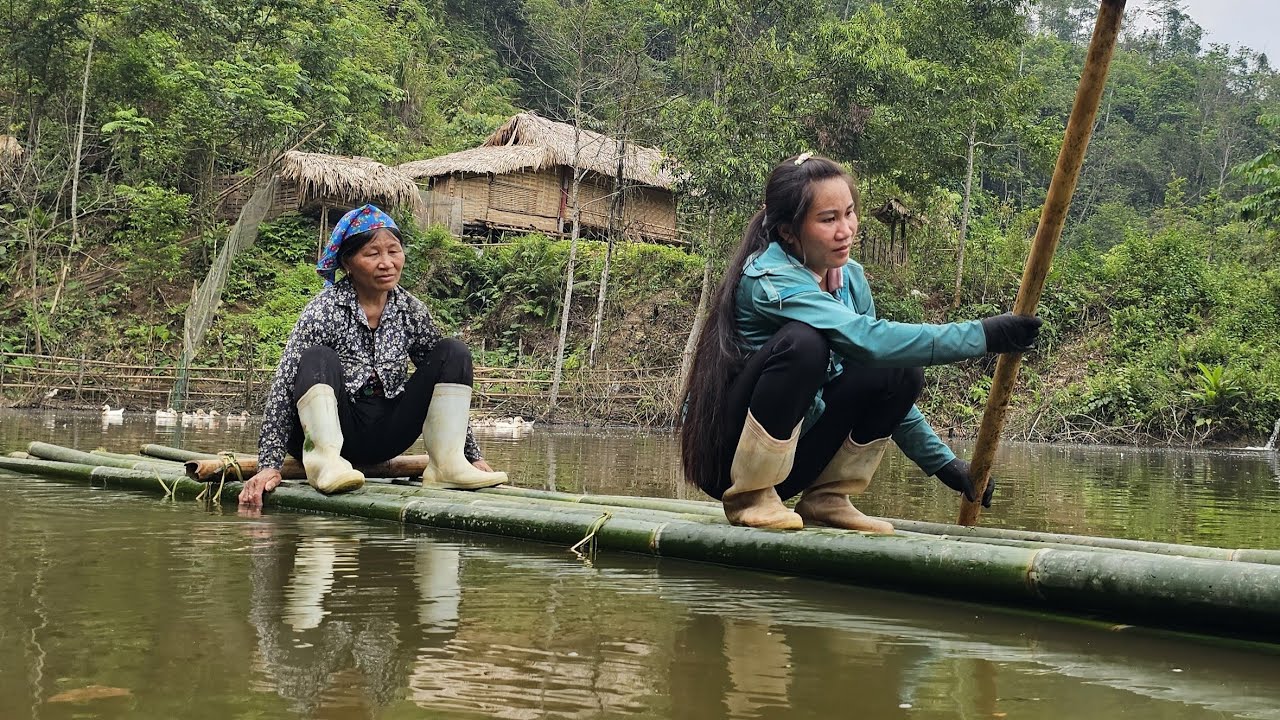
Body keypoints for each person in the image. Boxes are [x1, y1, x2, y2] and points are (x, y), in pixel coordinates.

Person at [679, 154, 1041, 533]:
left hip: (796, 460)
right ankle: (751, 498)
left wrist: (946, 466)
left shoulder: (848, 279)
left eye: (849, 213)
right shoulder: (769, 280)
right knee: (804, 343)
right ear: (788, 231)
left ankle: (827, 497)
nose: (846, 230)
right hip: (727, 462)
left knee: (898, 371)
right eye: (828, 219)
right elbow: (868, 340)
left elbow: (880, 361)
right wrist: (983, 335)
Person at [238, 204, 506, 506]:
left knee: (453, 352)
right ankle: (325, 464)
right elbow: (283, 388)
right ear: (348, 263)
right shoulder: (324, 311)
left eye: (394, 251)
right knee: (317, 358)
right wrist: (269, 466)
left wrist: (473, 455)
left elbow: (444, 384)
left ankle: (449, 466)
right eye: (372, 254)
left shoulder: (410, 311)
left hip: (386, 433)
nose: (386, 263)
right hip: (333, 430)